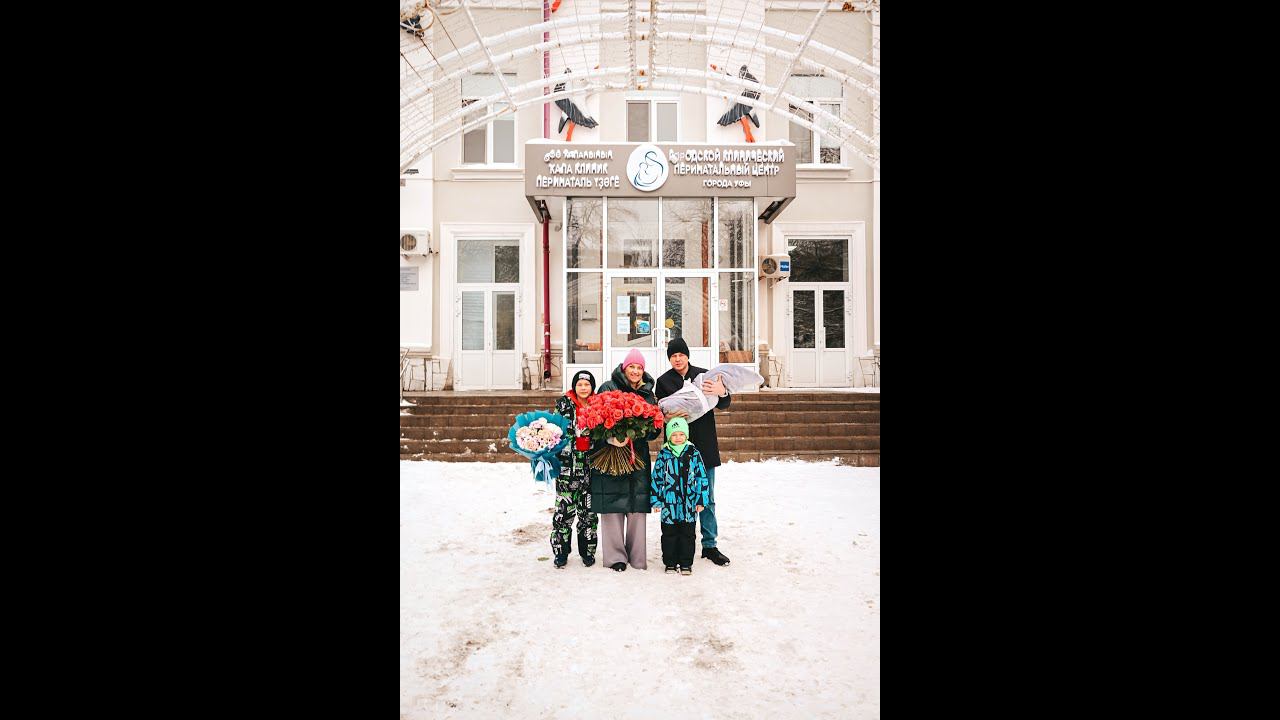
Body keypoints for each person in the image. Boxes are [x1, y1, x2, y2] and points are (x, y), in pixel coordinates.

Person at [654, 338, 732, 566]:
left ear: (687, 355)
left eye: (681, 354)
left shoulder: (704, 375)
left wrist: (722, 391)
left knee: (706, 498)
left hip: (704, 445)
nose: (677, 359)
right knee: (676, 498)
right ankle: (679, 543)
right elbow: (660, 415)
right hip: (677, 451)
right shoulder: (663, 381)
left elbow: (724, 404)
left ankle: (710, 545)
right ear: (669, 358)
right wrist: (666, 417)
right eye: (673, 355)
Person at [592, 349, 662, 571]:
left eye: (639, 367)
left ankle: (637, 556)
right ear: (624, 368)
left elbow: (653, 431)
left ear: (643, 371)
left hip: (636, 455)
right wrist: (611, 437)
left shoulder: (648, 393)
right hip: (610, 453)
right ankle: (615, 558)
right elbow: (595, 421)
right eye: (631, 367)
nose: (635, 371)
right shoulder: (608, 387)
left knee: (636, 504)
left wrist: (644, 429)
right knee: (612, 501)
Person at [550, 370, 599, 568]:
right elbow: (552, 431)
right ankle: (561, 552)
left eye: (587, 385)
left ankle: (587, 552)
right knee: (564, 512)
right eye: (580, 384)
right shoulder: (564, 404)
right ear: (574, 387)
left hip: (590, 466)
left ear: (592, 387)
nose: (584, 388)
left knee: (588, 513)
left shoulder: (599, 404)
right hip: (566, 468)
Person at [650, 416, 709, 575]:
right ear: (669, 436)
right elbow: (657, 477)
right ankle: (670, 562)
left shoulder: (693, 453)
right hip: (669, 504)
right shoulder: (664, 454)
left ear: (686, 435)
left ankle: (685, 563)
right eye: (674, 435)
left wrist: (701, 499)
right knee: (669, 534)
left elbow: (701, 477)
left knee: (687, 534)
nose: (678, 438)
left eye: (681, 434)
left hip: (688, 504)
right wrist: (656, 499)